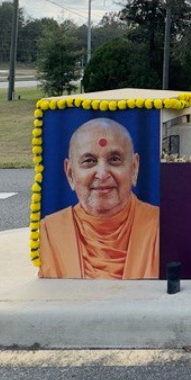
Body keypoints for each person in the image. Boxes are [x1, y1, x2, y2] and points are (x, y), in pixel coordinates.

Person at [38, 117, 159, 279]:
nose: (102, 174)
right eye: (89, 161)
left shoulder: (160, 225)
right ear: (70, 174)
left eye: (114, 160)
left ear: (134, 168)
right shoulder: (49, 231)